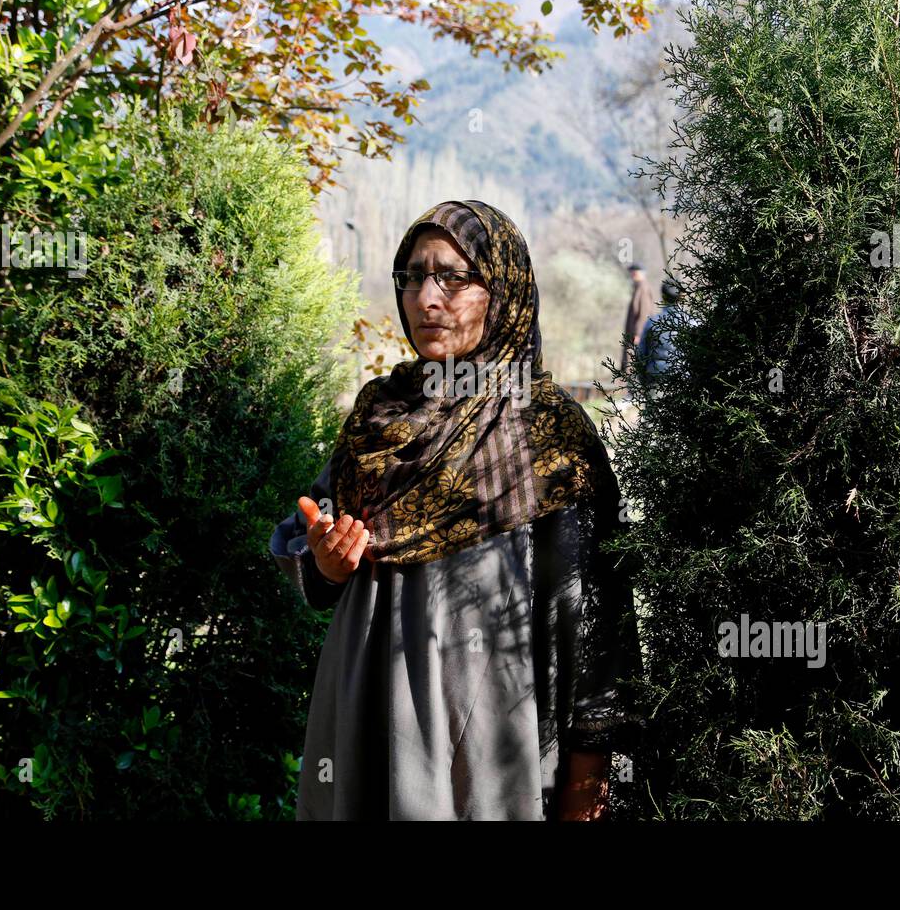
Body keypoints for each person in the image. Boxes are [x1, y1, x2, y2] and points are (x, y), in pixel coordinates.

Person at [269, 199, 646, 821]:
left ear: (504, 292)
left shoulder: (545, 435)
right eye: (413, 275)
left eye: (453, 276)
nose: (426, 297)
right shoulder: (379, 416)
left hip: (490, 741)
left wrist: (586, 788)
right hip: (364, 715)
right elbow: (316, 540)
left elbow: (595, 626)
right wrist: (326, 563)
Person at [637, 276, 695, 380]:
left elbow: (641, 354)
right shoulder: (692, 323)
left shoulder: (651, 323)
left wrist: (642, 379)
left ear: (663, 296)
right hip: (685, 378)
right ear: (682, 296)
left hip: (655, 376)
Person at [621, 262, 655, 372]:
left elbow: (644, 313)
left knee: (634, 367)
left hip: (637, 337)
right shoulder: (639, 286)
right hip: (635, 335)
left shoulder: (643, 287)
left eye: (633, 272)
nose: (631, 274)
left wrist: (638, 334)